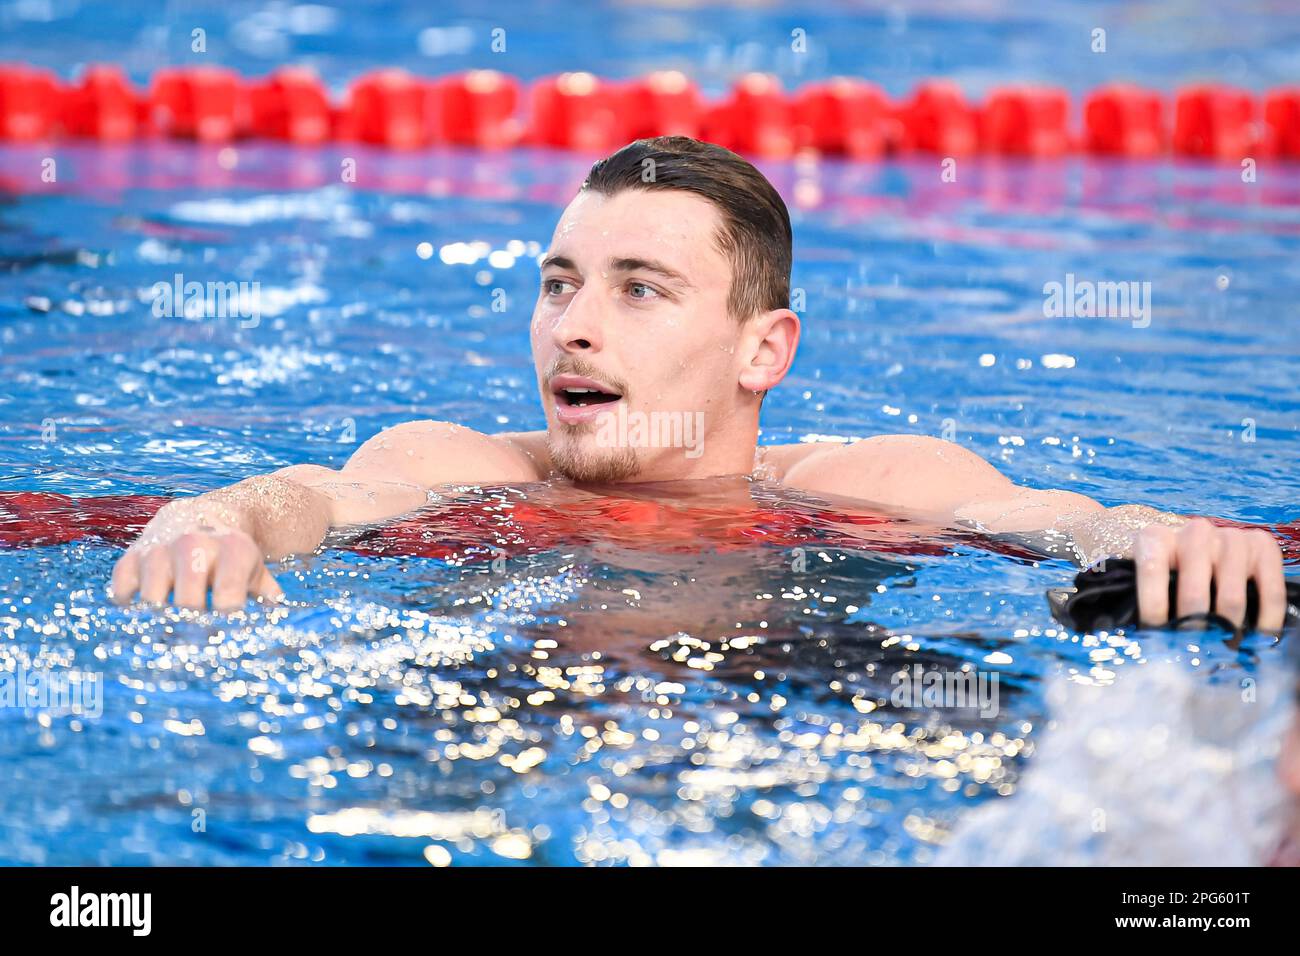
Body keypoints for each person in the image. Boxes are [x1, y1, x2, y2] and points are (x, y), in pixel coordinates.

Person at [109, 136, 1288, 628]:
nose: (573, 328)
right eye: (558, 282)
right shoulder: (454, 465)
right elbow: (308, 498)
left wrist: (1168, 539)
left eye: (639, 287)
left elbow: (1073, 524)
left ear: (762, 350)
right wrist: (211, 517)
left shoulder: (873, 478)